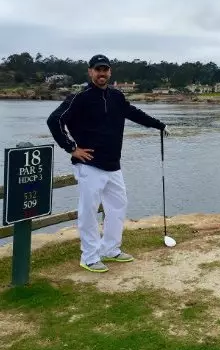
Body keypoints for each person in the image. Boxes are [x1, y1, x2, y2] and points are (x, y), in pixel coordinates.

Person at [47, 54, 170, 273]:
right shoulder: (79, 97)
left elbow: (134, 113)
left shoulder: (116, 96)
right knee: (89, 211)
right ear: (90, 72)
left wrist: (159, 125)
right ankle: (90, 256)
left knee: (118, 206)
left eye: (105, 70)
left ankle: (110, 249)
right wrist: (72, 148)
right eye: (97, 70)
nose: (102, 73)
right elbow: (54, 120)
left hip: (113, 164)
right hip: (90, 165)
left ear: (110, 72)